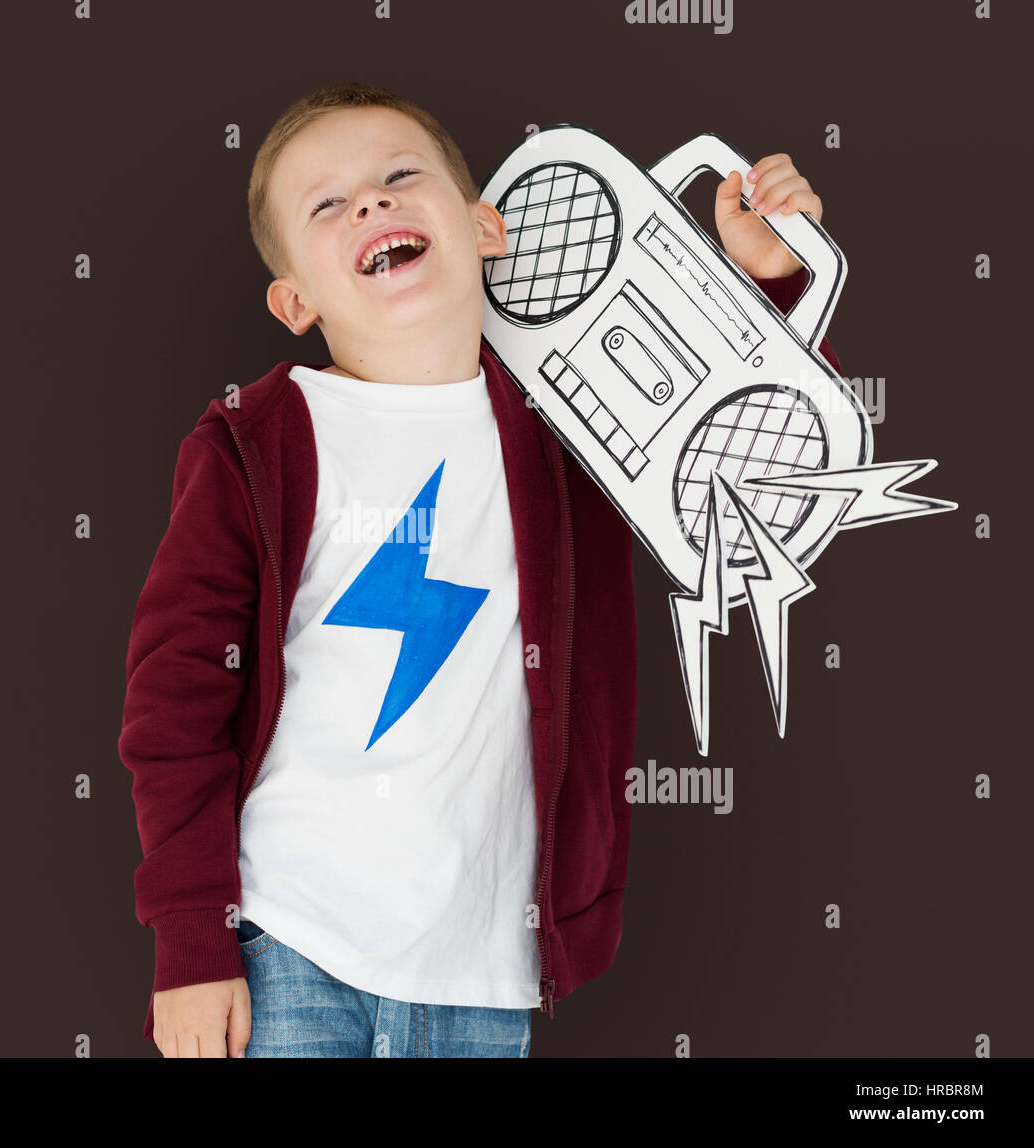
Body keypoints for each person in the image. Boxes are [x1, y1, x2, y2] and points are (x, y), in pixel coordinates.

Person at [118, 81, 842, 1058]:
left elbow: (758, 486)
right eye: (327, 204)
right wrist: (190, 937)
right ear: (294, 300)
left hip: (481, 965)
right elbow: (174, 696)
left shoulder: (574, 430)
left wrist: (769, 286)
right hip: (284, 933)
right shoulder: (255, 443)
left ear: (484, 226)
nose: (371, 204)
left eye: (399, 176)